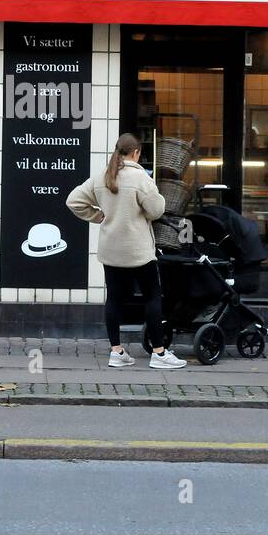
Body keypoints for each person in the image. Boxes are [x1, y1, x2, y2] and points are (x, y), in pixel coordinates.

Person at [67, 133, 186, 370]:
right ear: (136, 153)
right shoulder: (140, 177)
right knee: (152, 298)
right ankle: (159, 354)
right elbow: (157, 209)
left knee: (114, 299)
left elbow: (73, 200)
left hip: (111, 251)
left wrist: (99, 215)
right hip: (138, 251)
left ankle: (116, 352)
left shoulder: (102, 176)